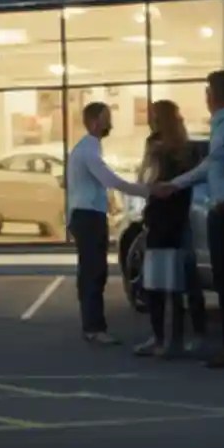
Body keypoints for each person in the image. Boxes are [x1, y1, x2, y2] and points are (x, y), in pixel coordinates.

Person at [156, 71, 224, 369]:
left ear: (214, 93)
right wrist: (174, 184)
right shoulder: (223, 125)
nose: (206, 97)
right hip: (223, 209)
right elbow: (208, 167)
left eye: (208, 91)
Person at [67, 101, 150, 345]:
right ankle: (94, 327)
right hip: (88, 217)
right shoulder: (89, 150)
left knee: (90, 271)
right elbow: (110, 180)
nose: (110, 123)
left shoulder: (86, 148)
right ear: (95, 123)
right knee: (94, 272)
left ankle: (91, 325)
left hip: (86, 215)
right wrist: (146, 191)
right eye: (106, 118)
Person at [133, 100, 204, 359]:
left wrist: (151, 168)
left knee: (172, 284)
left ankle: (170, 339)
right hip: (163, 219)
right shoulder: (162, 146)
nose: (150, 121)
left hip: (171, 220)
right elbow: (145, 180)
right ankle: (163, 338)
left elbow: (152, 181)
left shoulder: (178, 151)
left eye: (153, 116)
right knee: (161, 284)